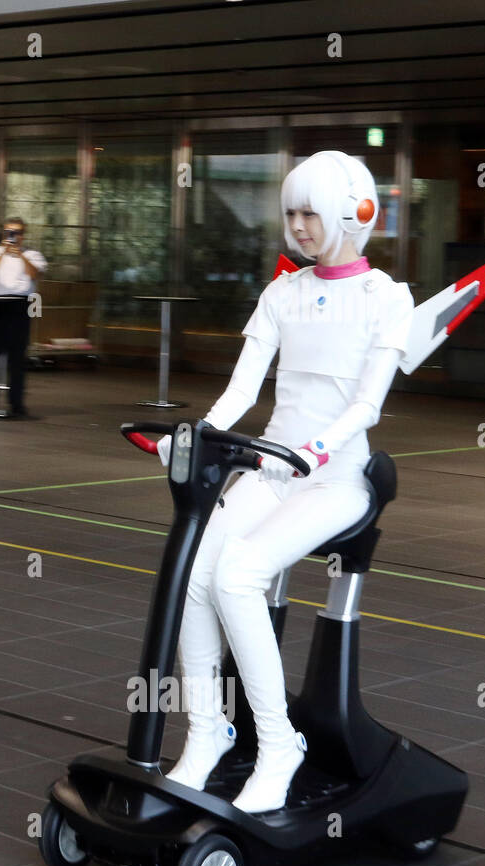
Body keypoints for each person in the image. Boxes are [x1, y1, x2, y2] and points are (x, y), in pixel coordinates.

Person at [157, 151, 413, 813]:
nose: (298, 226)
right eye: (291, 212)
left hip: (337, 480)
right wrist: (196, 433)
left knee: (238, 574)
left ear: (354, 215)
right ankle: (209, 731)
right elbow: (243, 386)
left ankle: (279, 748)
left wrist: (319, 449)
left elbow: (367, 405)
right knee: (193, 573)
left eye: (311, 213)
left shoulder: (386, 298)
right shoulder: (283, 292)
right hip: (274, 468)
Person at [0, 217, 46, 418]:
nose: (12, 236)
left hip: (20, 304)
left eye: (16, 233)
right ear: (3, 233)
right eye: (9, 232)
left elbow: (35, 274)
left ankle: (17, 404)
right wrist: (4, 252)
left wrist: (20, 255)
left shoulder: (32, 254)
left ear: (23, 235)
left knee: (17, 356)